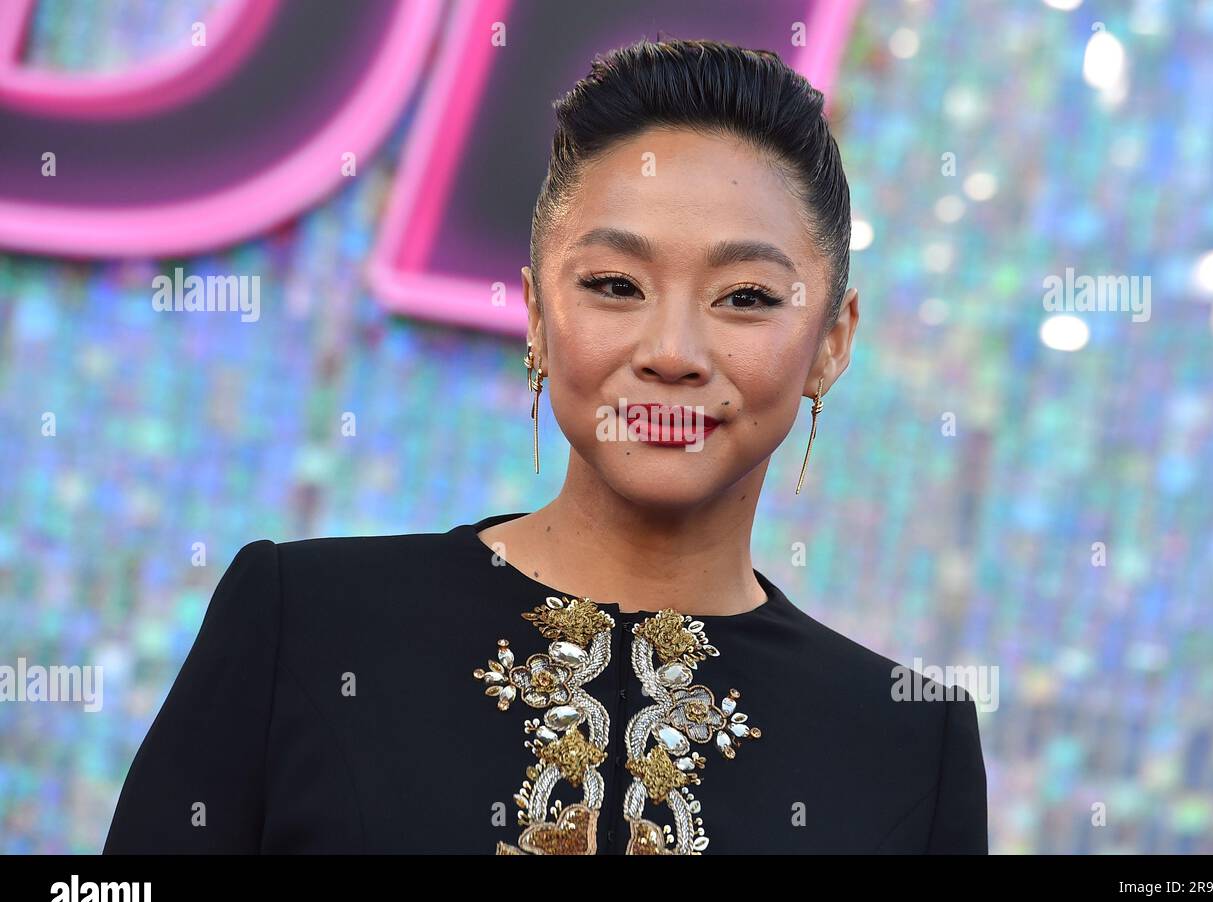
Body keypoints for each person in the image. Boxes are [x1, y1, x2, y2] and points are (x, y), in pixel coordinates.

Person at [104, 37, 987, 855]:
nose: (672, 351)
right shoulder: (306, 623)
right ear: (536, 314)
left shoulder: (908, 742)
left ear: (832, 341)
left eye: (746, 297)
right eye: (615, 285)